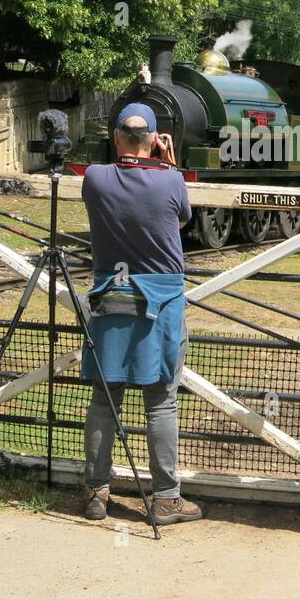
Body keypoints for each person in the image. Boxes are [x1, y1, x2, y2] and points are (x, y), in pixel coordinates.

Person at [79, 103, 203, 526]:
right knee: (161, 402)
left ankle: (96, 492)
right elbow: (182, 220)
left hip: (111, 294)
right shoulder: (171, 180)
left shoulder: (95, 179)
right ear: (153, 139)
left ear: (115, 137)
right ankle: (166, 498)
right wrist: (169, 162)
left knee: (104, 399)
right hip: (161, 304)